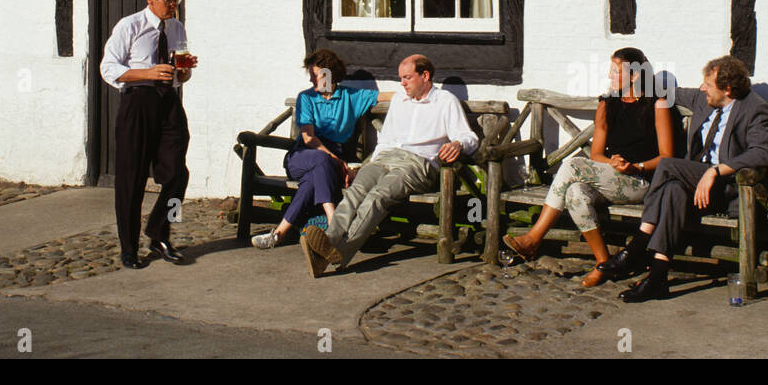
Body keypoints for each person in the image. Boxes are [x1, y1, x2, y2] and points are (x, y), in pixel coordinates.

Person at [598, 54, 768, 302]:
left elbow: (762, 153)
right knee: (673, 190)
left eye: (708, 85)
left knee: (668, 164)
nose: (702, 88)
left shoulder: (755, 108)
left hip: (727, 189)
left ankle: (638, 243)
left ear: (727, 89)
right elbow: (661, 89)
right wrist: (631, 76)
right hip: (693, 184)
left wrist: (716, 171)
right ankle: (658, 277)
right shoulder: (702, 99)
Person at [498, 47, 674, 286]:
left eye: (615, 72)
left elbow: (667, 156)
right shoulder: (607, 105)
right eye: (609, 71)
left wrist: (636, 166)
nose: (610, 77)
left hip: (642, 181)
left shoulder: (658, 104)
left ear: (634, 75)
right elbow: (598, 154)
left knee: (572, 165)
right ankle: (605, 264)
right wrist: (614, 162)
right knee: (575, 193)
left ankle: (534, 238)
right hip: (612, 176)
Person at [300, 54, 477, 277]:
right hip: (385, 158)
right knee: (355, 191)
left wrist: (459, 144)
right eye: (401, 78)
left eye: (407, 77)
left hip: (417, 163)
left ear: (425, 76)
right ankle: (328, 241)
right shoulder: (399, 100)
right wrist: (367, 166)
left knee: (378, 196)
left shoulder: (445, 101)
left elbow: (469, 137)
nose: (402, 83)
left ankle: (340, 253)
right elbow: (385, 141)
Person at [99, 0, 196, 270]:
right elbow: (108, 68)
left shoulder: (177, 28)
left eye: (177, 0)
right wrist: (147, 73)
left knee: (178, 173)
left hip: (168, 101)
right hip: (137, 102)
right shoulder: (130, 25)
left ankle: (159, 232)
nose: (173, 6)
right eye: (168, 0)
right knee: (131, 179)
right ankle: (128, 248)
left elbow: (181, 74)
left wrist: (184, 72)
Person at [250, 49, 382, 249]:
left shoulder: (351, 97)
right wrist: (336, 160)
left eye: (316, 74)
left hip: (330, 163)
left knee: (312, 180)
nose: (312, 79)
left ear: (331, 74)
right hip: (302, 156)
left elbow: (386, 95)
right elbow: (308, 138)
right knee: (321, 161)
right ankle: (334, 222)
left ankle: (279, 234)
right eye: (310, 74)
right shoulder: (306, 98)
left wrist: (421, 91)